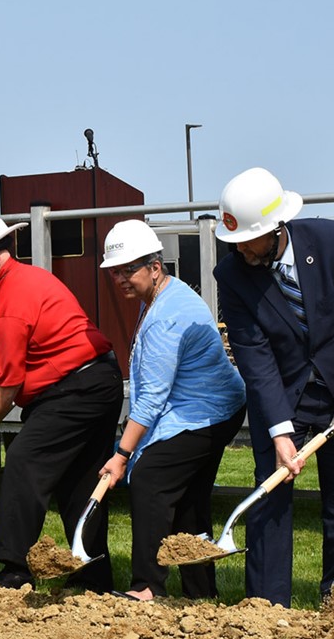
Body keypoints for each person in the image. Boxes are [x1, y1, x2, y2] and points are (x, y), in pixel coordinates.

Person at [212, 167, 334, 605]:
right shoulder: (232, 275)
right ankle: (268, 610)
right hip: (282, 398)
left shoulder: (327, 241)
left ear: (276, 229)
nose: (239, 249)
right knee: (269, 504)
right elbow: (255, 358)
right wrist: (279, 431)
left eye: (247, 240)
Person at [0, 206, 123, 592]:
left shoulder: (10, 300)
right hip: (94, 382)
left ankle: (15, 569)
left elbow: (7, 386)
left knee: (23, 460)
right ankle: (93, 577)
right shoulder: (21, 281)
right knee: (78, 481)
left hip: (76, 387)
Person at [97, 219, 246, 601]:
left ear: (154, 266)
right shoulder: (163, 297)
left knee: (149, 479)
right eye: (115, 272)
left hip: (206, 412)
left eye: (129, 270)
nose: (120, 279)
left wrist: (122, 455)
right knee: (188, 500)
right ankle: (201, 593)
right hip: (212, 407)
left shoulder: (167, 316)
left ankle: (147, 586)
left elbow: (151, 399)